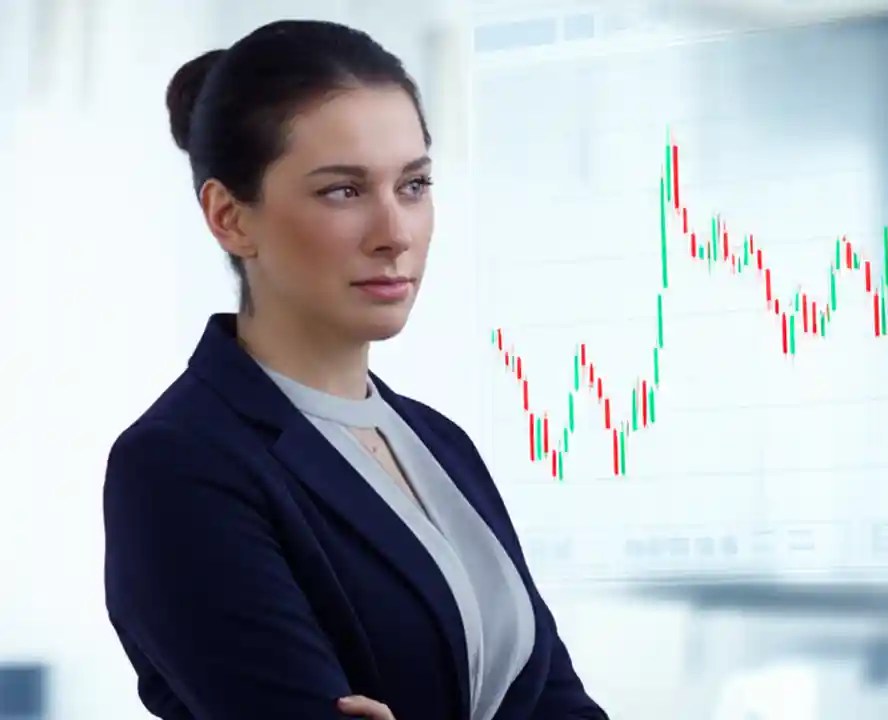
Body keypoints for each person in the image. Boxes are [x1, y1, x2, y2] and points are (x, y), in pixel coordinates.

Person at [102, 19, 608, 720]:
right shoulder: (179, 464)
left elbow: (558, 703)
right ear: (229, 217)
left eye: (414, 184)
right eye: (343, 191)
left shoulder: (440, 443)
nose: (394, 232)